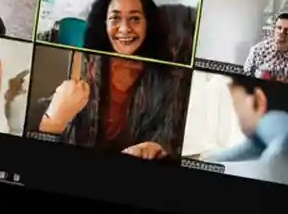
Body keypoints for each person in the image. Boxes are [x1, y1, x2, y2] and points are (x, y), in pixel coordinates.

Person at [35, 51, 189, 161]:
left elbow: (172, 140)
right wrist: (53, 123)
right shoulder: (72, 95)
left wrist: (158, 150)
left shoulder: (162, 94)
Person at [202, 77, 288, 163]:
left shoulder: (269, 122)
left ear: (258, 101)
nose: (236, 115)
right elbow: (246, 149)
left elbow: (278, 152)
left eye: (235, 105)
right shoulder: (260, 133)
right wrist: (212, 158)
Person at [81, 0, 171, 63]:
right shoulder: (87, 66)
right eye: (115, 18)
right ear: (104, 23)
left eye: (135, 19)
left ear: (149, 23)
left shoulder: (171, 74)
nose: (124, 29)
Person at [243, 12, 288, 87]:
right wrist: (264, 76)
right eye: (279, 28)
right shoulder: (258, 50)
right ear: (274, 28)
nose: (282, 32)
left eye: (286, 29)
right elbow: (247, 72)